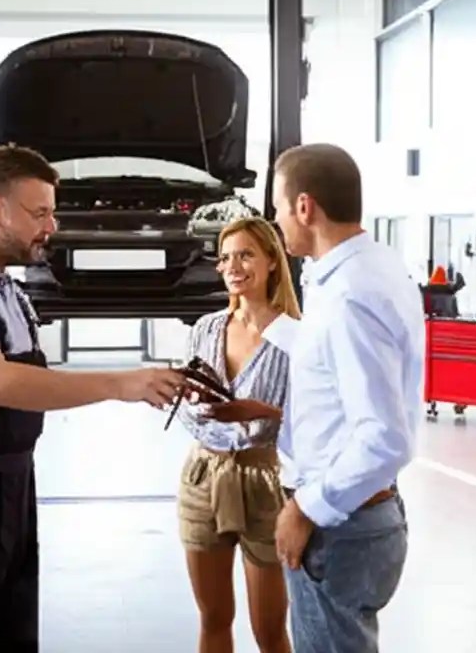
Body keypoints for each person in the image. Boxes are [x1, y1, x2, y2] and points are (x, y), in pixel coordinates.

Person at [0, 143, 188, 653]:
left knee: (12, 635)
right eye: (39, 213)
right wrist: (120, 384)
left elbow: (29, 383)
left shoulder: (7, 290)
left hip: (11, 490)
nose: (50, 227)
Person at [207, 143, 424, 653]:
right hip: (362, 516)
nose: (277, 223)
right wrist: (260, 314)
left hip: (340, 525)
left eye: (279, 209)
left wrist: (304, 508)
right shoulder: (366, 269)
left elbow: (386, 438)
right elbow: (331, 357)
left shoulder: (349, 294)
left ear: (305, 207)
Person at [174, 217, 300, 653]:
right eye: (225, 257)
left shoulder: (294, 339)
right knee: (212, 618)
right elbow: (192, 409)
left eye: (246, 254)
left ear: (271, 262)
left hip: (263, 481)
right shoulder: (206, 329)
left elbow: (313, 420)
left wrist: (261, 413)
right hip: (202, 475)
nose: (233, 265)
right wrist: (188, 398)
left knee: (269, 630)